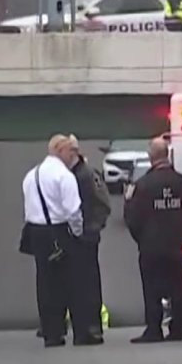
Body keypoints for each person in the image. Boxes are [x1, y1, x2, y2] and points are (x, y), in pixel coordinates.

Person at [124, 136, 182, 343]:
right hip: (176, 245)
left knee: (152, 288)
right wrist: (179, 231)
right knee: (178, 286)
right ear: (168, 155)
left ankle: (154, 329)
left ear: (150, 157)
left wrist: (143, 238)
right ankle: (179, 329)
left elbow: (131, 217)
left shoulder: (141, 186)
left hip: (150, 247)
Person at [20, 134, 91, 347]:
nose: (74, 156)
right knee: (73, 283)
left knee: (45, 283)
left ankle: (51, 332)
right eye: (71, 151)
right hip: (60, 231)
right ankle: (81, 332)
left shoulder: (31, 175)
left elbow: (29, 207)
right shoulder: (64, 176)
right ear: (59, 151)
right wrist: (78, 233)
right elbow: (73, 211)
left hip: (36, 232)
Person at [66, 134, 112, 343]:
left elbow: (103, 203)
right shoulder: (73, 174)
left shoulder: (85, 174)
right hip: (78, 235)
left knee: (88, 283)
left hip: (85, 237)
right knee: (79, 283)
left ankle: (91, 327)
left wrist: (92, 227)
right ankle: (84, 327)